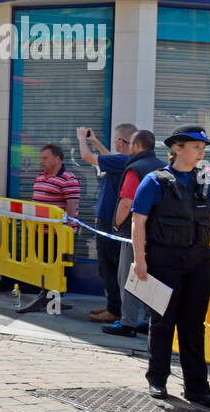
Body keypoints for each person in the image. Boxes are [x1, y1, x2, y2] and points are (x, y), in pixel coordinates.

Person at [130, 126, 210, 405]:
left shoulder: (203, 181)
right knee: (163, 322)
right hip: (164, 260)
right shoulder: (154, 180)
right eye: (196, 147)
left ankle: (197, 388)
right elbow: (139, 221)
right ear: (177, 149)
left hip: (197, 261)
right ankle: (157, 380)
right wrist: (140, 260)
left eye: (203, 148)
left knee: (194, 324)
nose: (201, 153)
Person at [103, 130, 166, 337]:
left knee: (127, 277)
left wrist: (116, 225)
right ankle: (149, 322)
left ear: (137, 145)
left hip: (133, 232)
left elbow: (127, 202)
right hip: (157, 233)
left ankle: (127, 322)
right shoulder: (163, 167)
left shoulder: (135, 169)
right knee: (149, 277)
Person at [78, 124, 135, 324]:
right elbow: (108, 157)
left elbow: (86, 157)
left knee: (108, 266)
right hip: (112, 220)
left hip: (108, 221)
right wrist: (94, 141)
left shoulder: (123, 160)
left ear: (121, 142)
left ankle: (114, 309)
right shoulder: (124, 161)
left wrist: (81, 140)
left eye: (116, 140)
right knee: (113, 265)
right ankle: (113, 304)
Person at [32, 143, 81, 217]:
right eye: (41, 158)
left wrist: (64, 226)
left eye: (45, 158)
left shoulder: (69, 179)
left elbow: (71, 209)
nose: (41, 161)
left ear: (57, 159)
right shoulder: (40, 176)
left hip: (57, 228)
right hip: (38, 228)